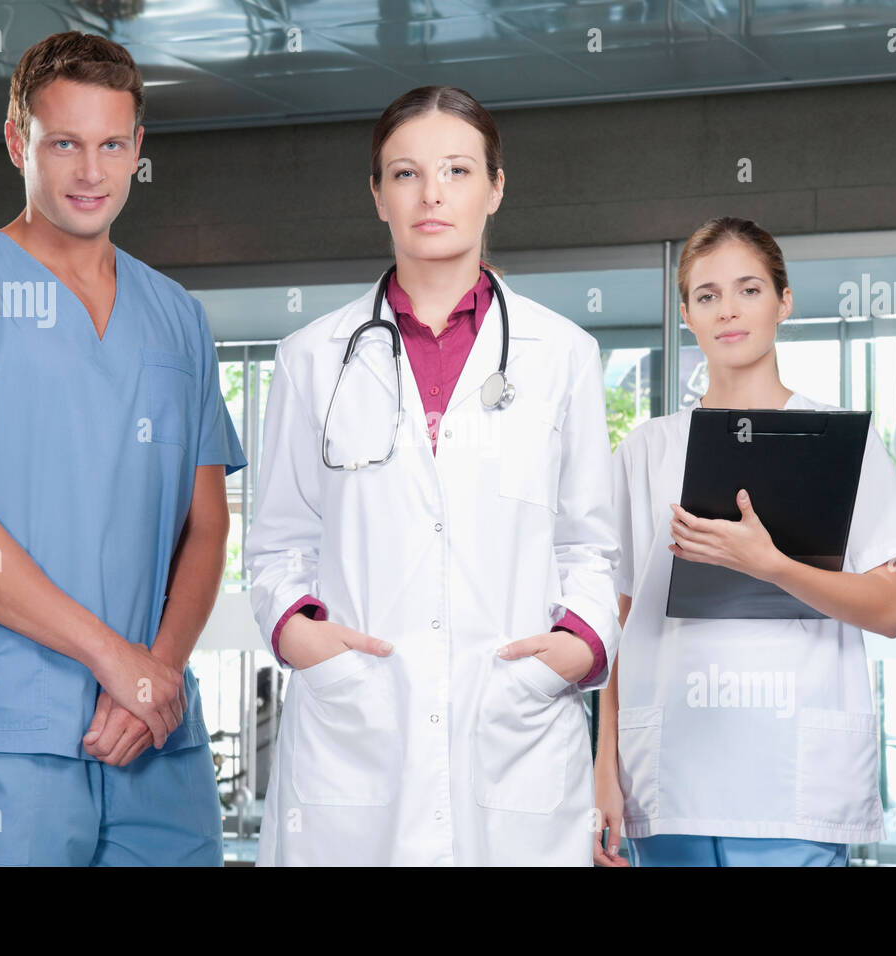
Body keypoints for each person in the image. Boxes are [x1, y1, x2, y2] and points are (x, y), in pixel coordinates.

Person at [0, 31, 246, 866]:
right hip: (9, 735)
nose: (90, 172)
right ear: (16, 142)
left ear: (138, 149)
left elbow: (206, 525)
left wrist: (157, 676)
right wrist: (116, 661)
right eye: (63, 143)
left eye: (112, 145)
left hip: (156, 741)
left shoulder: (176, 314)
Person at [245, 85, 620, 866]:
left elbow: (590, 547)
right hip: (358, 726)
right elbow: (280, 543)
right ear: (378, 195)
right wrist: (304, 635)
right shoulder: (313, 357)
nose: (432, 193)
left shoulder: (564, 355)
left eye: (456, 169)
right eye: (406, 173)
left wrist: (577, 646)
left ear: (495, 186)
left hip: (513, 724)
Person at [593, 216, 896, 867]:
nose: (728, 310)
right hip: (669, 783)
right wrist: (604, 770)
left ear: (783, 300)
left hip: (794, 789)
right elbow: (619, 621)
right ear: (686, 314)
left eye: (748, 290)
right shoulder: (645, 451)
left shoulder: (842, 444)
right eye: (706, 294)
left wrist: (771, 564)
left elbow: (890, 610)